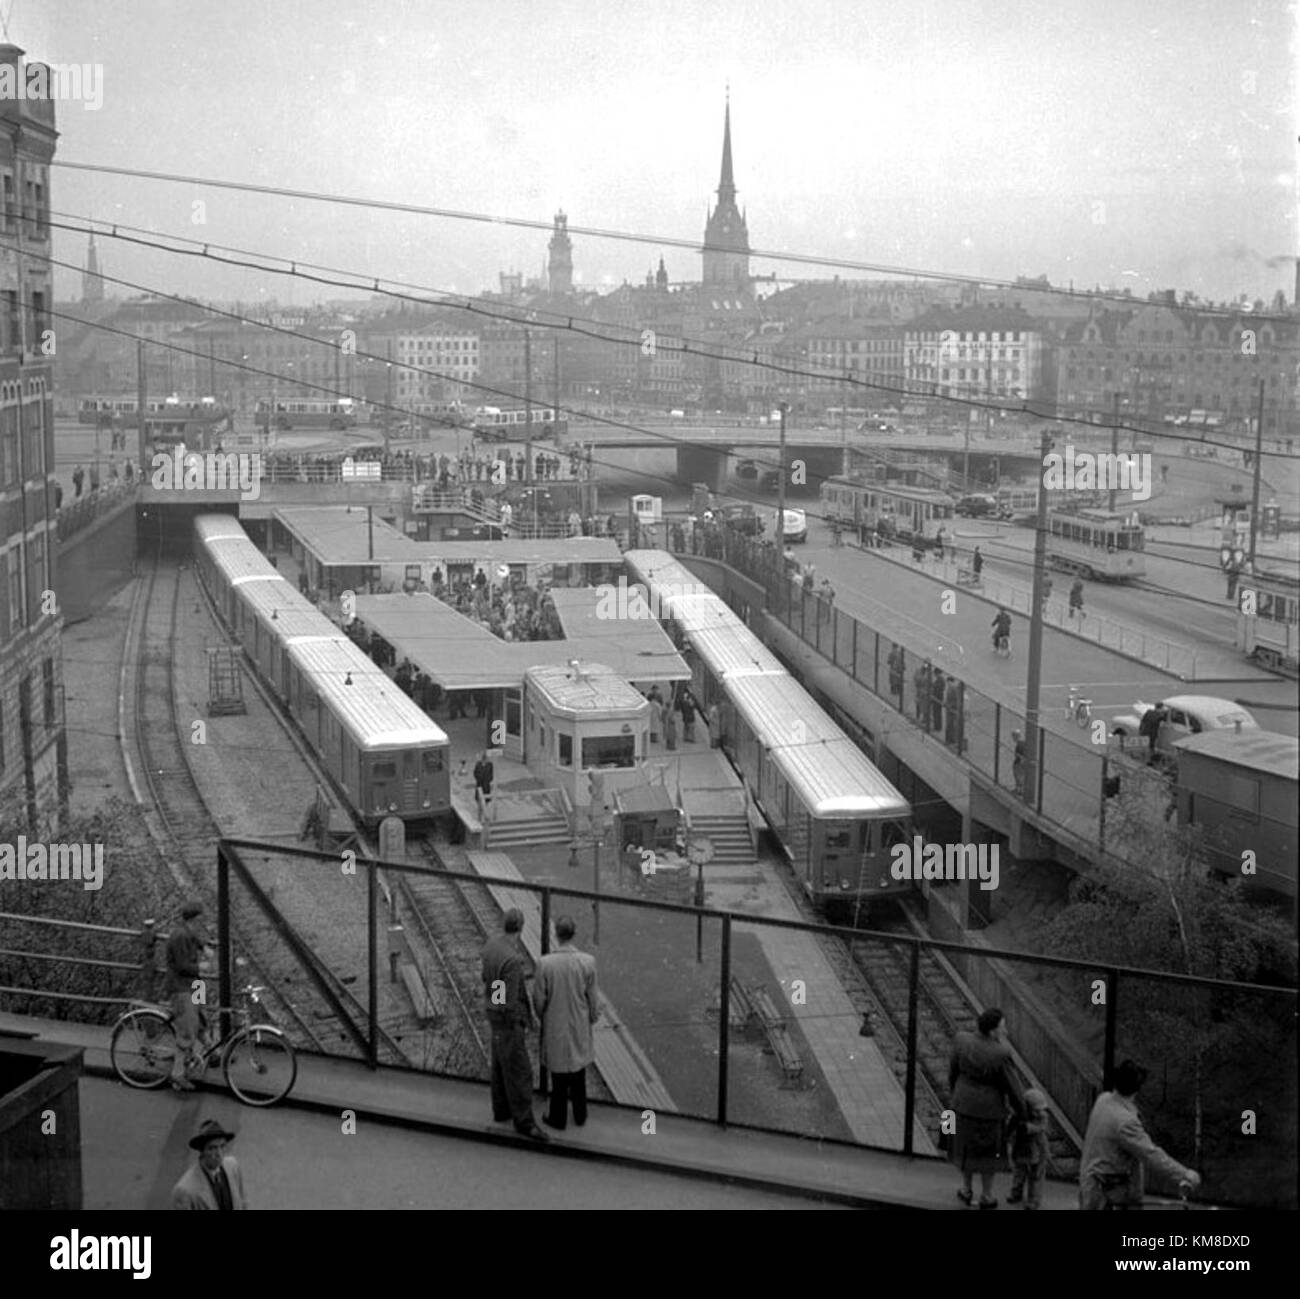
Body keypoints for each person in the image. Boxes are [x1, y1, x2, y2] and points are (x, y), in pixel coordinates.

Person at [1079, 1059, 1200, 1210]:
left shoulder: (1103, 1100)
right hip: (1108, 1193)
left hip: (1092, 1186)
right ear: (1137, 1088)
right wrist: (1184, 1174)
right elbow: (1151, 1155)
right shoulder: (1125, 1121)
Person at [481, 909, 548, 1142]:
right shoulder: (512, 960)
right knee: (521, 1072)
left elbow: (488, 980)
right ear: (520, 928)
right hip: (507, 1023)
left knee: (500, 1067)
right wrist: (516, 1022)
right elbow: (507, 1000)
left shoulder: (491, 946)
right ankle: (525, 1123)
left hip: (494, 1016)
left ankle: (501, 1110)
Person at [948, 1008, 1023, 1209]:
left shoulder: (961, 1040)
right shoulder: (1001, 1053)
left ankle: (965, 1189)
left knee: (965, 1149)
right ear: (992, 1031)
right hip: (989, 1111)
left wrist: (956, 1094)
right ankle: (987, 1196)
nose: (1005, 1032)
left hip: (962, 1103)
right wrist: (1021, 1110)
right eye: (1003, 1028)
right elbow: (1012, 1086)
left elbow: (953, 1071)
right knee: (988, 1156)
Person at [533, 915, 600, 1131]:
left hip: (556, 1023)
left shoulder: (545, 964)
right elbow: (592, 996)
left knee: (559, 1075)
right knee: (579, 1072)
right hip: (579, 1022)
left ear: (556, 934)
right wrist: (592, 1015)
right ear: (574, 934)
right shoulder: (587, 962)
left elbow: (539, 999)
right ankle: (580, 1114)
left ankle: (557, 1117)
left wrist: (541, 1015)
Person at [166, 901, 208, 1091]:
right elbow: (182, 966)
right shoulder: (179, 936)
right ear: (195, 918)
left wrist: (204, 947)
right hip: (183, 987)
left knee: (201, 1018)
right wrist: (202, 967)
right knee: (187, 1027)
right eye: (200, 917)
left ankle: (212, 1050)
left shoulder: (187, 931)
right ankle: (177, 1074)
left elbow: (195, 938)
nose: (202, 921)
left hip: (195, 984)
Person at [171, 1119, 249, 1210]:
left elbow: (243, 1200)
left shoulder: (232, 1166)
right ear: (202, 1151)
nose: (219, 1154)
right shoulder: (185, 1190)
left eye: (222, 1146)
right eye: (212, 1148)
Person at [1006, 1088, 1050, 1209]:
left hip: (1038, 1149)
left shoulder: (1042, 1117)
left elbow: (1040, 1127)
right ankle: (1016, 1193)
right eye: (1036, 1110)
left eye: (1040, 1110)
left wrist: (1027, 1127)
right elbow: (1010, 1127)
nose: (1038, 1113)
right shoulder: (1018, 1115)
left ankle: (1033, 1200)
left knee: (1036, 1176)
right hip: (1021, 1148)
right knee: (1019, 1173)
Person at [1011, 729, 1025, 797]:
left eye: (1013, 737)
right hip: (1020, 763)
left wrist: (1021, 761)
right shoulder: (1023, 743)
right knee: (1020, 777)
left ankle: (1020, 790)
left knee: (1018, 776)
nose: (1013, 739)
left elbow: (1020, 756)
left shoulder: (1019, 745)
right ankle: (1020, 790)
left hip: (1019, 763)